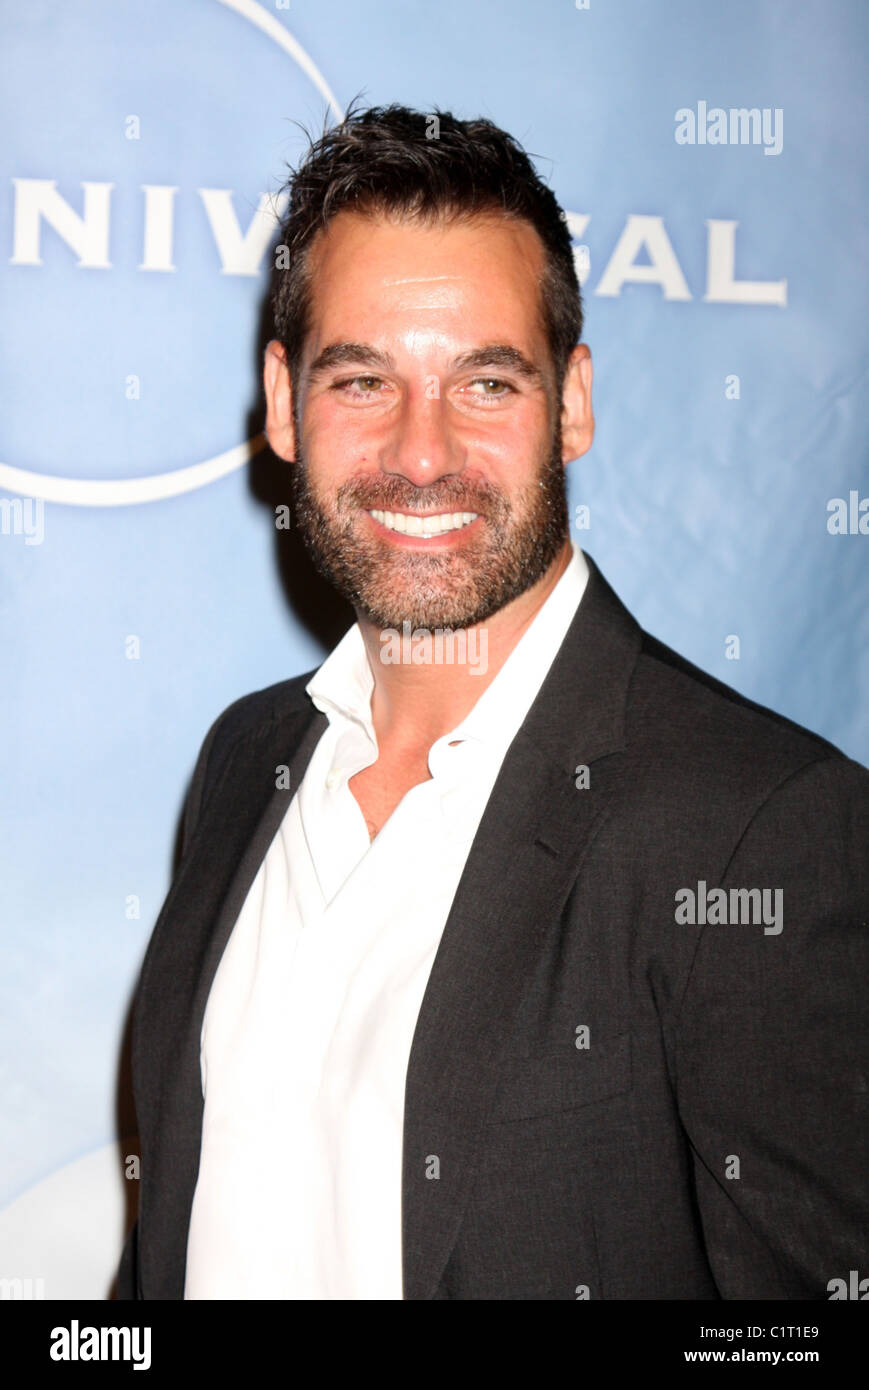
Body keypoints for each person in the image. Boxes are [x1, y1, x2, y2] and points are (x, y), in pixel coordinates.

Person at [117, 104, 868, 1301]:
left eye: (484, 381)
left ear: (569, 403)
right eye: (361, 378)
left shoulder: (759, 824)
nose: (422, 454)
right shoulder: (245, 758)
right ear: (282, 400)